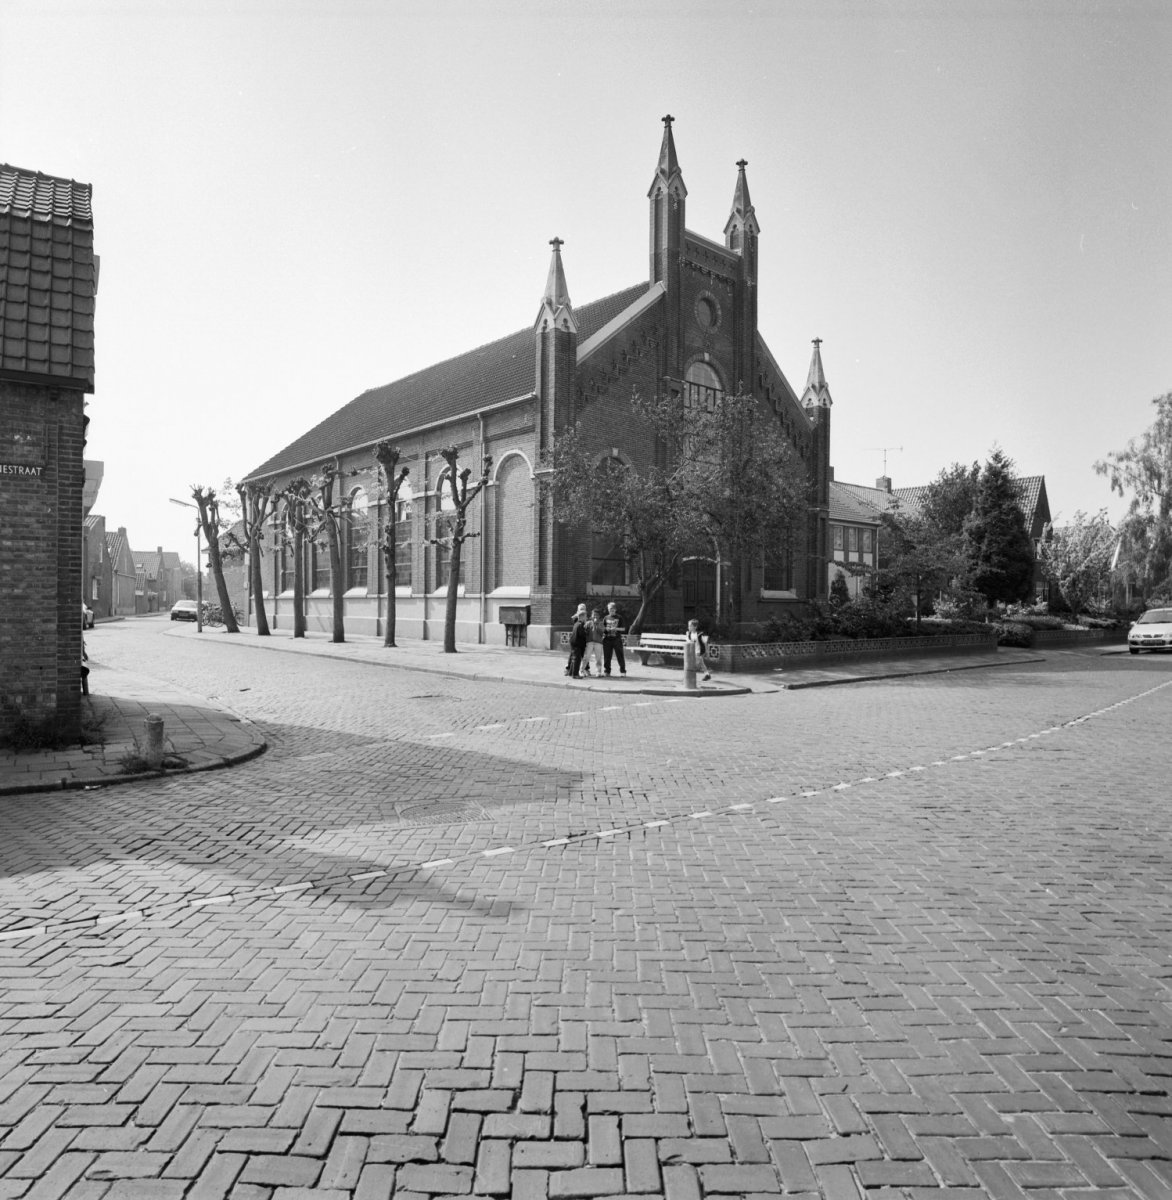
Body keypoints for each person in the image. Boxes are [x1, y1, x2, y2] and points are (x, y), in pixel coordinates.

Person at [602, 601, 627, 676]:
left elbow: (623, 629)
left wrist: (615, 629)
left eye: (612, 609)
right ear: (608, 609)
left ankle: (623, 671)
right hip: (607, 639)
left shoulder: (619, 617)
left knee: (620, 655)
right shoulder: (606, 618)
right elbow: (603, 628)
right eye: (609, 609)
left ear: (615, 609)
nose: (611, 611)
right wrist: (606, 629)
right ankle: (607, 671)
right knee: (607, 656)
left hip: (617, 639)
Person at [564, 603, 586, 675]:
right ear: (578, 610)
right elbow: (580, 630)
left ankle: (581, 669)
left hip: (580, 641)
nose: (582, 610)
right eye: (581, 609)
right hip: (577, 639)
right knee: (575, 657)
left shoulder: (585, 617)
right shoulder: (576, 618)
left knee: (582, 654)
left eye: (583, 609)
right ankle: (570, 669)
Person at [568, 607, 590, 679]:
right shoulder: (580, 624)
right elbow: (582, 634)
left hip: (574, 643)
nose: (586, 618)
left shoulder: (576, 623)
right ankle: (575, 674)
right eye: (585, 616)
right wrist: (587, 632)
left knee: (574, 658)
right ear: (582, 616)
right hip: (577, 644)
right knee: (577, 659)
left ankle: (571, 672)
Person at [584, 608, 606, 676]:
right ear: (591, 616)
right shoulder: (588, 623)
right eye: (594, 615)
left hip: (598, 643)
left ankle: (598, 671)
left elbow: (602, 632)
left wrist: (597, 625)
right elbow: (585, 631)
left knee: (598, 658)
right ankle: (582, 670)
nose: (595, 616)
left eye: (597, 615)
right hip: (589, 642)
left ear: (599, 616)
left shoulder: (601, 624)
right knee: (586, 657)